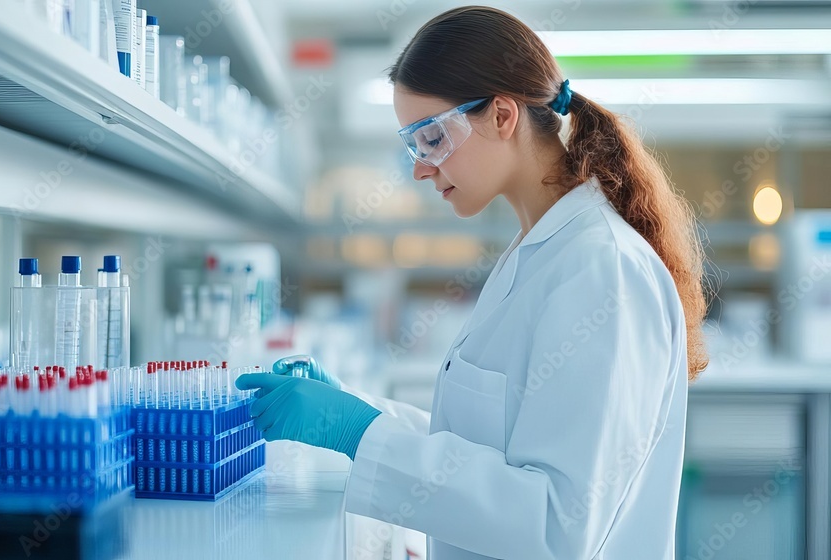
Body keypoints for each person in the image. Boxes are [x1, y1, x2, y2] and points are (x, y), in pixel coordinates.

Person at [236, 6, 709, 559]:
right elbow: (488, 445)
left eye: (432, 137)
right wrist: (356, 409)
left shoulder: (602, 270)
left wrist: (357, 433)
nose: (420, 166)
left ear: (503, 116)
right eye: (413, 145)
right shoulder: (538, 253)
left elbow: (559, 526)